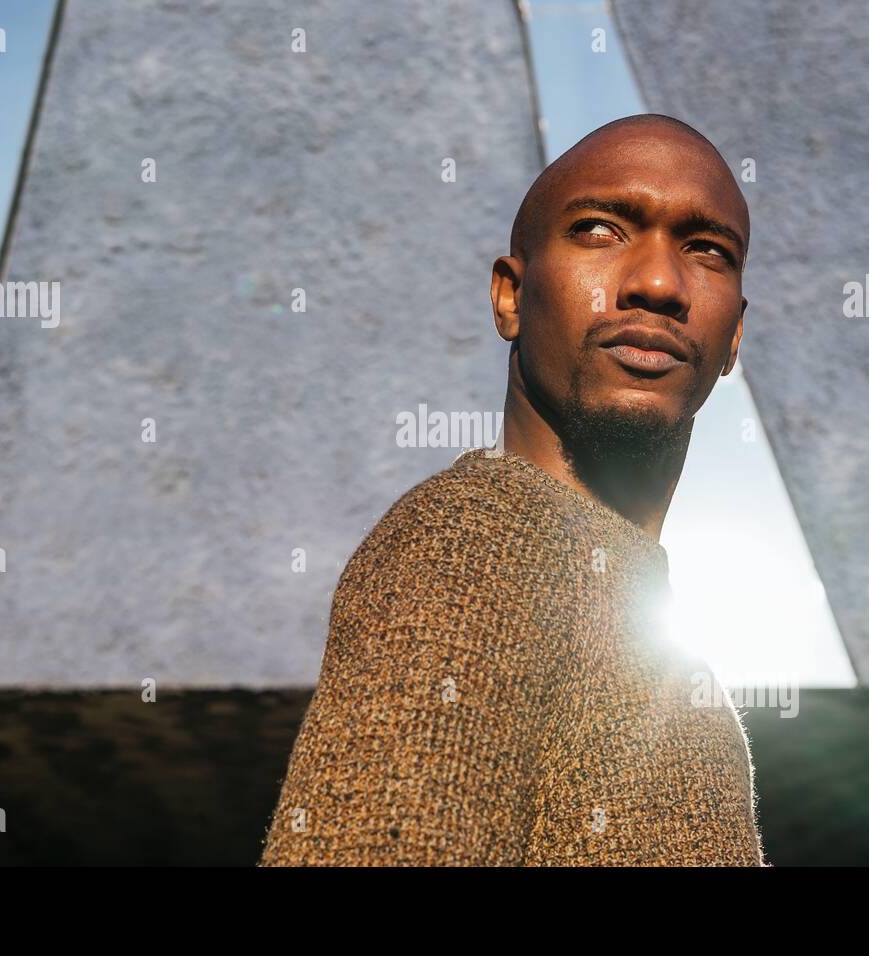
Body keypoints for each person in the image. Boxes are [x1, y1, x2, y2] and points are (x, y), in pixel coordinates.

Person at [258, 113, 766, 866]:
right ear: (509, 297)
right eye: (600, 230)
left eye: (706, 249)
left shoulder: (670, 672)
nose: (658, 282)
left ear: (733, 340)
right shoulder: (474, 540)